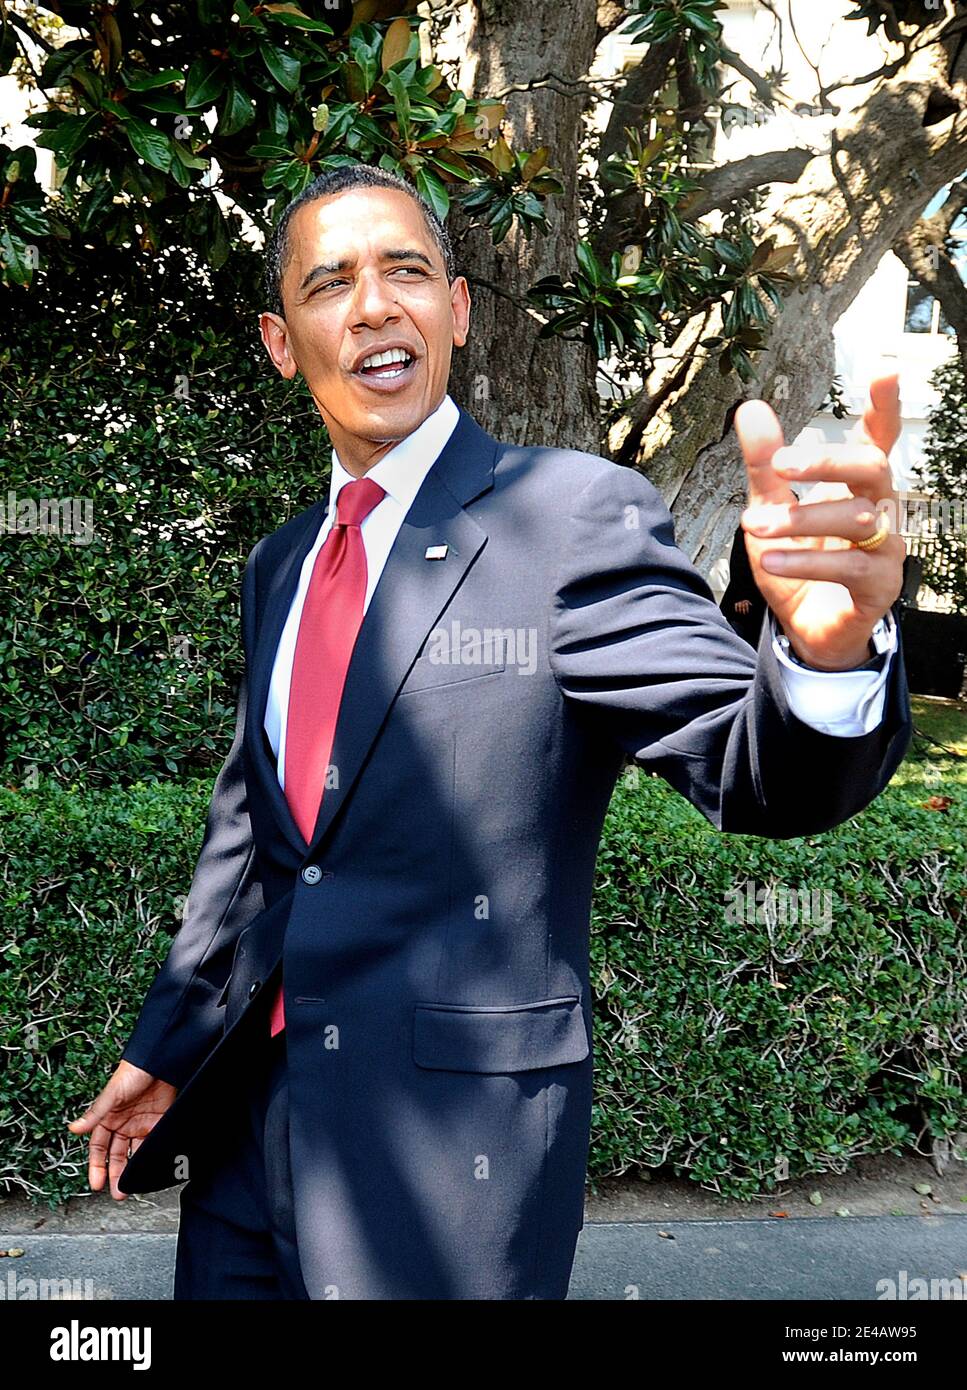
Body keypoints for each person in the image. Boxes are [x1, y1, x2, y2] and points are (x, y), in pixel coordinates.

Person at [67, 161, 912, 1300]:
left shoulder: (566, 517)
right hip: (247, 1143)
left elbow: (745, 765)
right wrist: (164, 1048)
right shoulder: (282, 564)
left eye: (405, 271)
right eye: (330, 284)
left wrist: (823, 658)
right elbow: (257, 842)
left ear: (456, 313)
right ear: (282, 340)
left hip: (447, 1169)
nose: (373, 305)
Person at [720, 520, 768, 647]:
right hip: (745, 599)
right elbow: (739, 558)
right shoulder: (750, 525)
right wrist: (741, 595)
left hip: (766, 598)